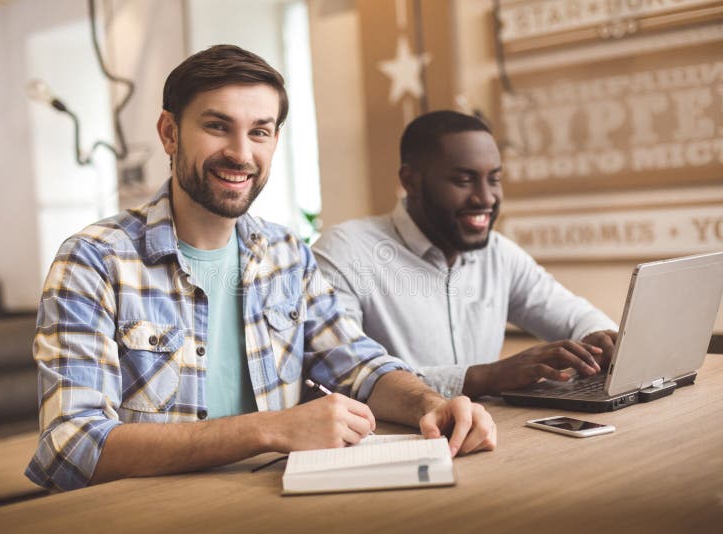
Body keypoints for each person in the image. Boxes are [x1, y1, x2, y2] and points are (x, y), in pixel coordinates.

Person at [25, 47, 495, 492]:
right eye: (217, 126)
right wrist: (271, 430)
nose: (241, 153)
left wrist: (431, 405)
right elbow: (72, 446)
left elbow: (359, 365)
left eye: (260, 131)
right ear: (169, 132)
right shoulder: (93, 260)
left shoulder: (288, 254)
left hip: (271, 506)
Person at [313, 110, 618, 399]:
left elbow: (575, 316)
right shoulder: (345, 252)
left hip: (488, 437)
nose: (485, 198)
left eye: (494, 179)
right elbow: (345, 374)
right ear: (410, 182)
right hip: (394, 444)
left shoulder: (498, 254)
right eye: (463, 180)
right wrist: (486, 377)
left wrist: (599, 337)